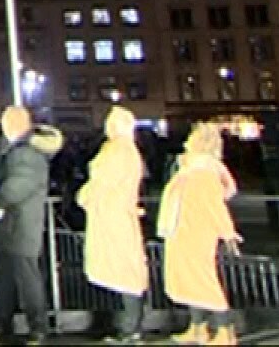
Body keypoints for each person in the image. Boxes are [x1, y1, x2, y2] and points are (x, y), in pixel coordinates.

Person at [0, 106, 63, 345]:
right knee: (7, 279)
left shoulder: (25, 152)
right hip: (10, 225)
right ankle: (7, 324)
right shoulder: (16, 149)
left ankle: (38, 328)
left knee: (26, 278)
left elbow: (17, 186)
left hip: (20, 225)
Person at [158, 123, 242, 345]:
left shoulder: (205, 172)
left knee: (204, 280)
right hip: (182, 231)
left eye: (192, 139)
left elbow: (215, 206)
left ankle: (225, 331)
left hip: (197, 233)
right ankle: (198, 328)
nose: (186, 143)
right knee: (189, 281)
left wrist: (228, 232)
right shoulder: (190, 169)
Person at [79, 106, 149, 344]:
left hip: (113, 217)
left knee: (126, 271)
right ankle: (131, 327)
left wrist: (85, 196)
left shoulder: (118, 151)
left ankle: (132, 328)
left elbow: (102, 182)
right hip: (114, 216)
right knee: (126, 270)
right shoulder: (125, 150)